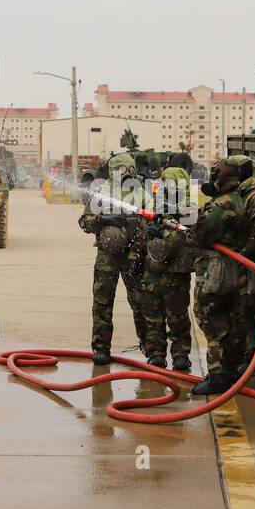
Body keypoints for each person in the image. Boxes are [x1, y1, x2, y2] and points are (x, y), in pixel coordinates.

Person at [78, 152, 149, 366]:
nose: (126, 173)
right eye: (121, 169)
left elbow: (152, 223)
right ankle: (101, 348)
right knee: (102, 303)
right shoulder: (100, 192)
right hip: (106, 258)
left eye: (129, 169)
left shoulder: (142, 194)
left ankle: (150, 347)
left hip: (134, 256)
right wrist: (103, 219)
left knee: (140, 303)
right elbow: (84, 222)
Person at [187, 157, 248, 396]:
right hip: (233, 269)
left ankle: (217, 375)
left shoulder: (220, 206)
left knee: (209, 318)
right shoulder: (239, 201)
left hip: (215, 270)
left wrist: (186, 231)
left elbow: (198, 237)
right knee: (230, 320)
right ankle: (230, 371)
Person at [141, 152, 196, 371]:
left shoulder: (190, 211)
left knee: (178, 315)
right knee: (153, 315)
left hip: (177, 272)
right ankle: (156, 353)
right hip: (153, 269)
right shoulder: (152, 206)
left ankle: (181, 354)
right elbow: (140, 232)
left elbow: (194, 234)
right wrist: (149, 229)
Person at [227, 155, 255, 376]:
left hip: (253, 265)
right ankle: (246, 357)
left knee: (250, 311)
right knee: (240, 311)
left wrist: (241, 255)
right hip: (244, 264)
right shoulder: (240, 194)